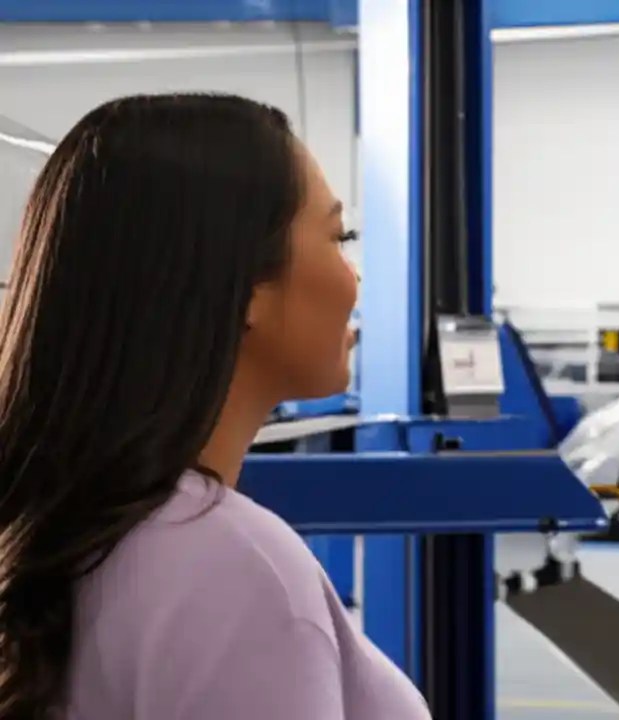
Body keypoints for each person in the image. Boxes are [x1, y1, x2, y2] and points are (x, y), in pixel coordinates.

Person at [0, 94, 432, 719]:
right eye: (339, 237)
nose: (354, 277)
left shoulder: (54, 532)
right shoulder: (234, 569)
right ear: (246, 286)